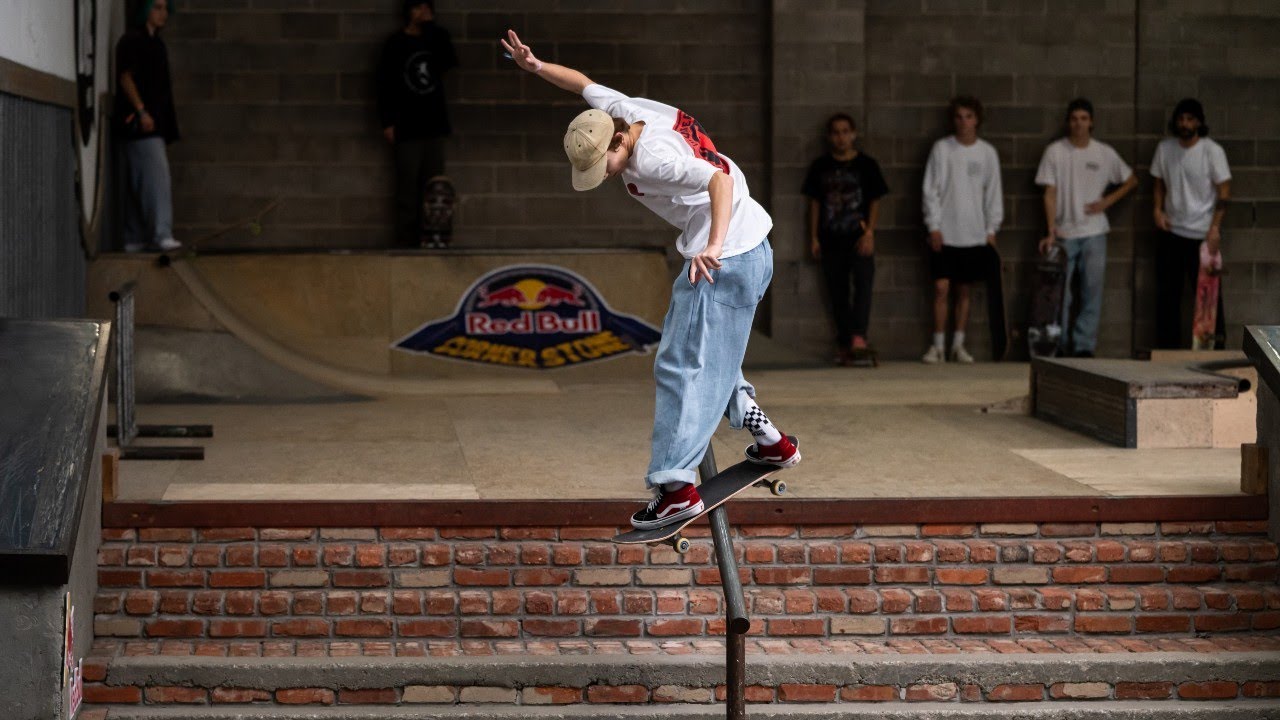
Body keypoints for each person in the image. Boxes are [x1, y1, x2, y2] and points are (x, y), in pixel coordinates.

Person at [500, 29, 800, 531]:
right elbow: (584, 85)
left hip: (726, 256)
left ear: (618, 141)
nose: (610, 175)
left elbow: (718, 180)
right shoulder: (622, 109)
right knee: (713, 359)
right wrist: (536, 67)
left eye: (608, 166)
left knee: (680, 365)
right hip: (751, 247)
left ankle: (675, 487)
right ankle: (771, 442)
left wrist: (711, 245)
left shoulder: (655, 155)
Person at [1034, 98, 1138, 357]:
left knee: (1092, 290)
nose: (1078, 123)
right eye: (1073, 119)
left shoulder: (1104, 153)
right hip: (1064, 233)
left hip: (1094, 232)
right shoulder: (1055, 152)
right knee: (1061, 295)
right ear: (1068, 122)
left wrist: (1107, 202)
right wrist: (1050, 231)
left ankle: (1083, 346)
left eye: (1083, 118)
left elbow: (1131, 180)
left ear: (1091, 122)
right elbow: (1049, 193)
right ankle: (1061, 343)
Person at [921, 96, 1003, 363]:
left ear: (977, 119)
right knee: (941, 288)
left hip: (974, 233)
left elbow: (993, 193)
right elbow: (930, 190)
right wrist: (933, 225)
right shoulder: (941, 149)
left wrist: (991, 228)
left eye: (968, 116)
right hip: (945, 232)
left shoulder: (987, 153)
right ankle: (938, 346)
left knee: (964, 291)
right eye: (959, 116)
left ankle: (958, 344)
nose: (964, 121)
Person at [802, 113, 889, 365]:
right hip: (830, 237)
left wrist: (870, 232)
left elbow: (875, 200)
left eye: (845, 132)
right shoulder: (820, 167)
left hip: (858, 237)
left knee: (863, 286)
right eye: (836, 132)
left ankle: (859, 337)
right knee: (836, 292)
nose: (841, 137)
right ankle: (844, 342)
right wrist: (814, 238)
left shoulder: (866, 165)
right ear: (830, 137)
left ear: (853, 134)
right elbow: (814, 204)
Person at [1150, 98, 1231, 349]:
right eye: (1181, 119)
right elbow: (1158, 184)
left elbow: (1224, 192)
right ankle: (1167, 350)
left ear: (1198, 122)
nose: (1185, 124)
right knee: (1168, 296)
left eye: (1190, 119)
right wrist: (1157, 210)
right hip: (1172, 232)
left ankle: (1214, 351)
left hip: (1202, 235)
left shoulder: (1211, 151)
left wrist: (1215, 227)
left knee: (1208, 298)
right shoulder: (1165, 149)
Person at [377, 0, 458, 247]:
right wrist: (388, 122)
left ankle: (434, 238)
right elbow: (384, 83)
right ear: (408, 12)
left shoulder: (436, 38)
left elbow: (449, 61)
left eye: (427, 8)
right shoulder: (396, 43)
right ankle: (406, 243)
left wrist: (430, 27)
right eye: (418, 8)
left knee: (435, 189)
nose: (423, 13)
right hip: (406, 125)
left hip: (433, 123)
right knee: (407, 189)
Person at [114, 0, 180, 253]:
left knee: (137, 181)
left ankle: (134, 237)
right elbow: (125, 78)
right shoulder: (133, 41)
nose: (163, 14)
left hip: (151, 122)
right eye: (157, 7)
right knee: (156, 177)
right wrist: (141, 111)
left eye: (165, 8)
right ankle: (161, 233)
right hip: (141, 124)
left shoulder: (156, 44)